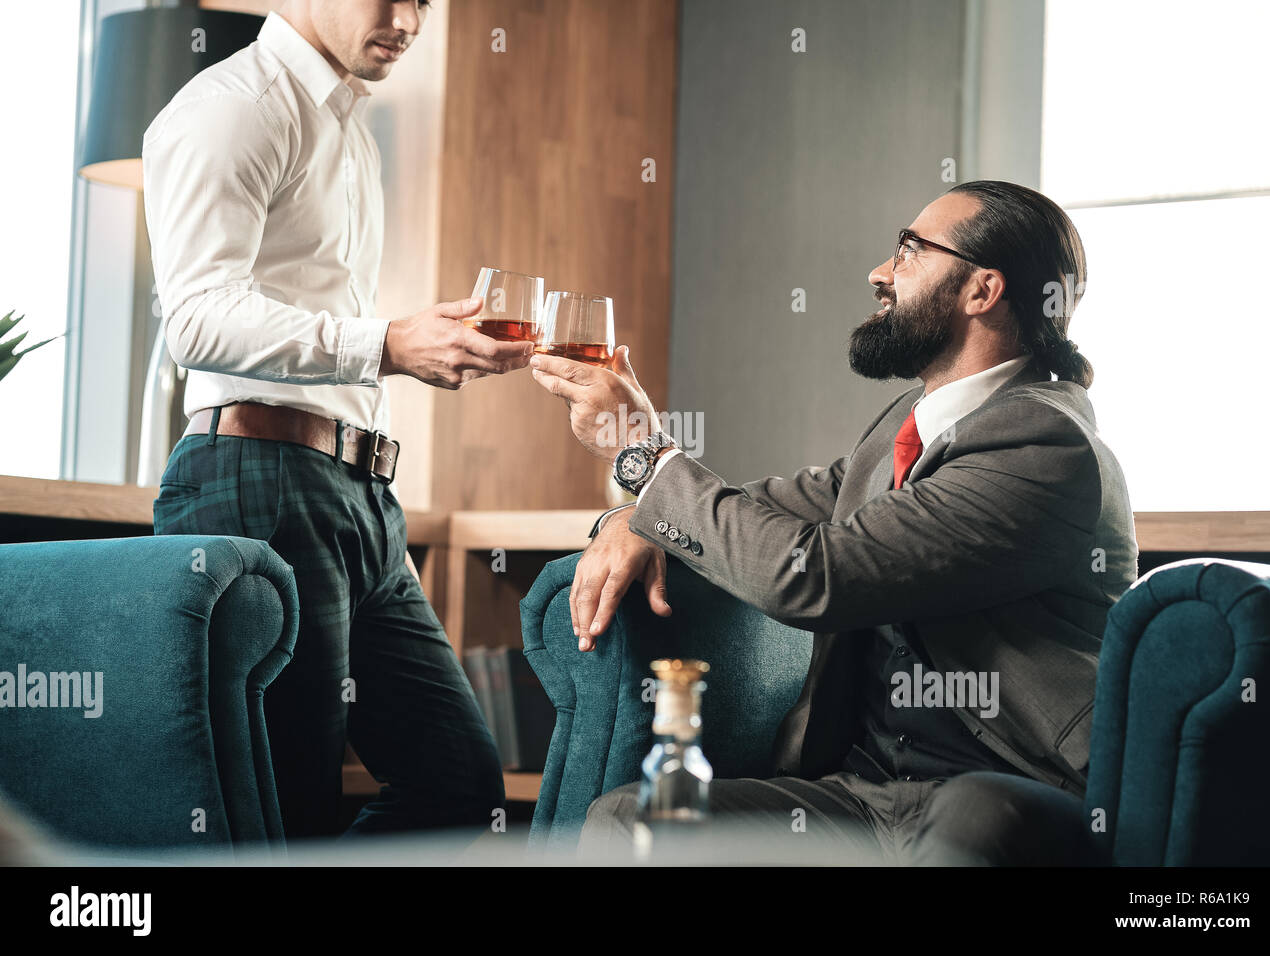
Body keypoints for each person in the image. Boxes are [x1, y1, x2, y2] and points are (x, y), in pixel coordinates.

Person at [529, 180, 1135, 864]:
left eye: (909, 250)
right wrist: (635, 511)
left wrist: (644, 453)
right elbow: (761, 507)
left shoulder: (1045, 446)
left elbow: (817, 578)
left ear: (981, 291)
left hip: (1012, 785)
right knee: (629, 821)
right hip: (866, 795)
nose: (879, 272)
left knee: (974, 818)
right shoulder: (903, 429)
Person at [143, 0, 533, 838]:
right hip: (257, 483)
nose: (410, 17)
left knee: (462, 788)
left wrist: (408, 338)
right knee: (293, 809)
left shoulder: (348, 126)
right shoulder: (235, 106)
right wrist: (388, 343)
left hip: (357, 498)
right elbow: (198, 319)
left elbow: (318, 315)